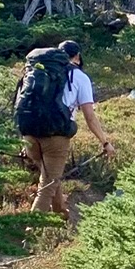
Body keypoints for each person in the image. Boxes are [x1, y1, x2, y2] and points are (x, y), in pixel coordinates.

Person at [22, 40, 114, 218]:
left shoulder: (38, 71)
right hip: (56, 136)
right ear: (77, 57)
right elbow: (89, 116)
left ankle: (62, 215)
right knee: (47, 186)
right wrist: (105, 142)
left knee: (49, 176)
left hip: (29, 132)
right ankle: (30, 235)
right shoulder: (79, 77)